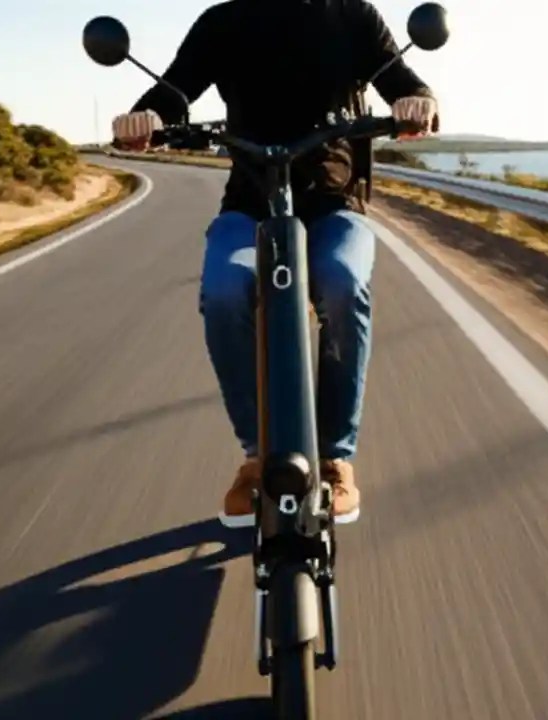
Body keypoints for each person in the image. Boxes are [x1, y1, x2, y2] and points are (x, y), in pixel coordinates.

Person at [111, 0, 439, 528]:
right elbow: (174, 91)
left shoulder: (352, 16)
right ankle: (257, 455)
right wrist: (146, 117)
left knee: (341, 279)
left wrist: (417, 104)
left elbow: (401, 80)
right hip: (249, 203)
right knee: (222, 287)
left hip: (334, 201)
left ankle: (335, 458)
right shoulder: (223, 21)